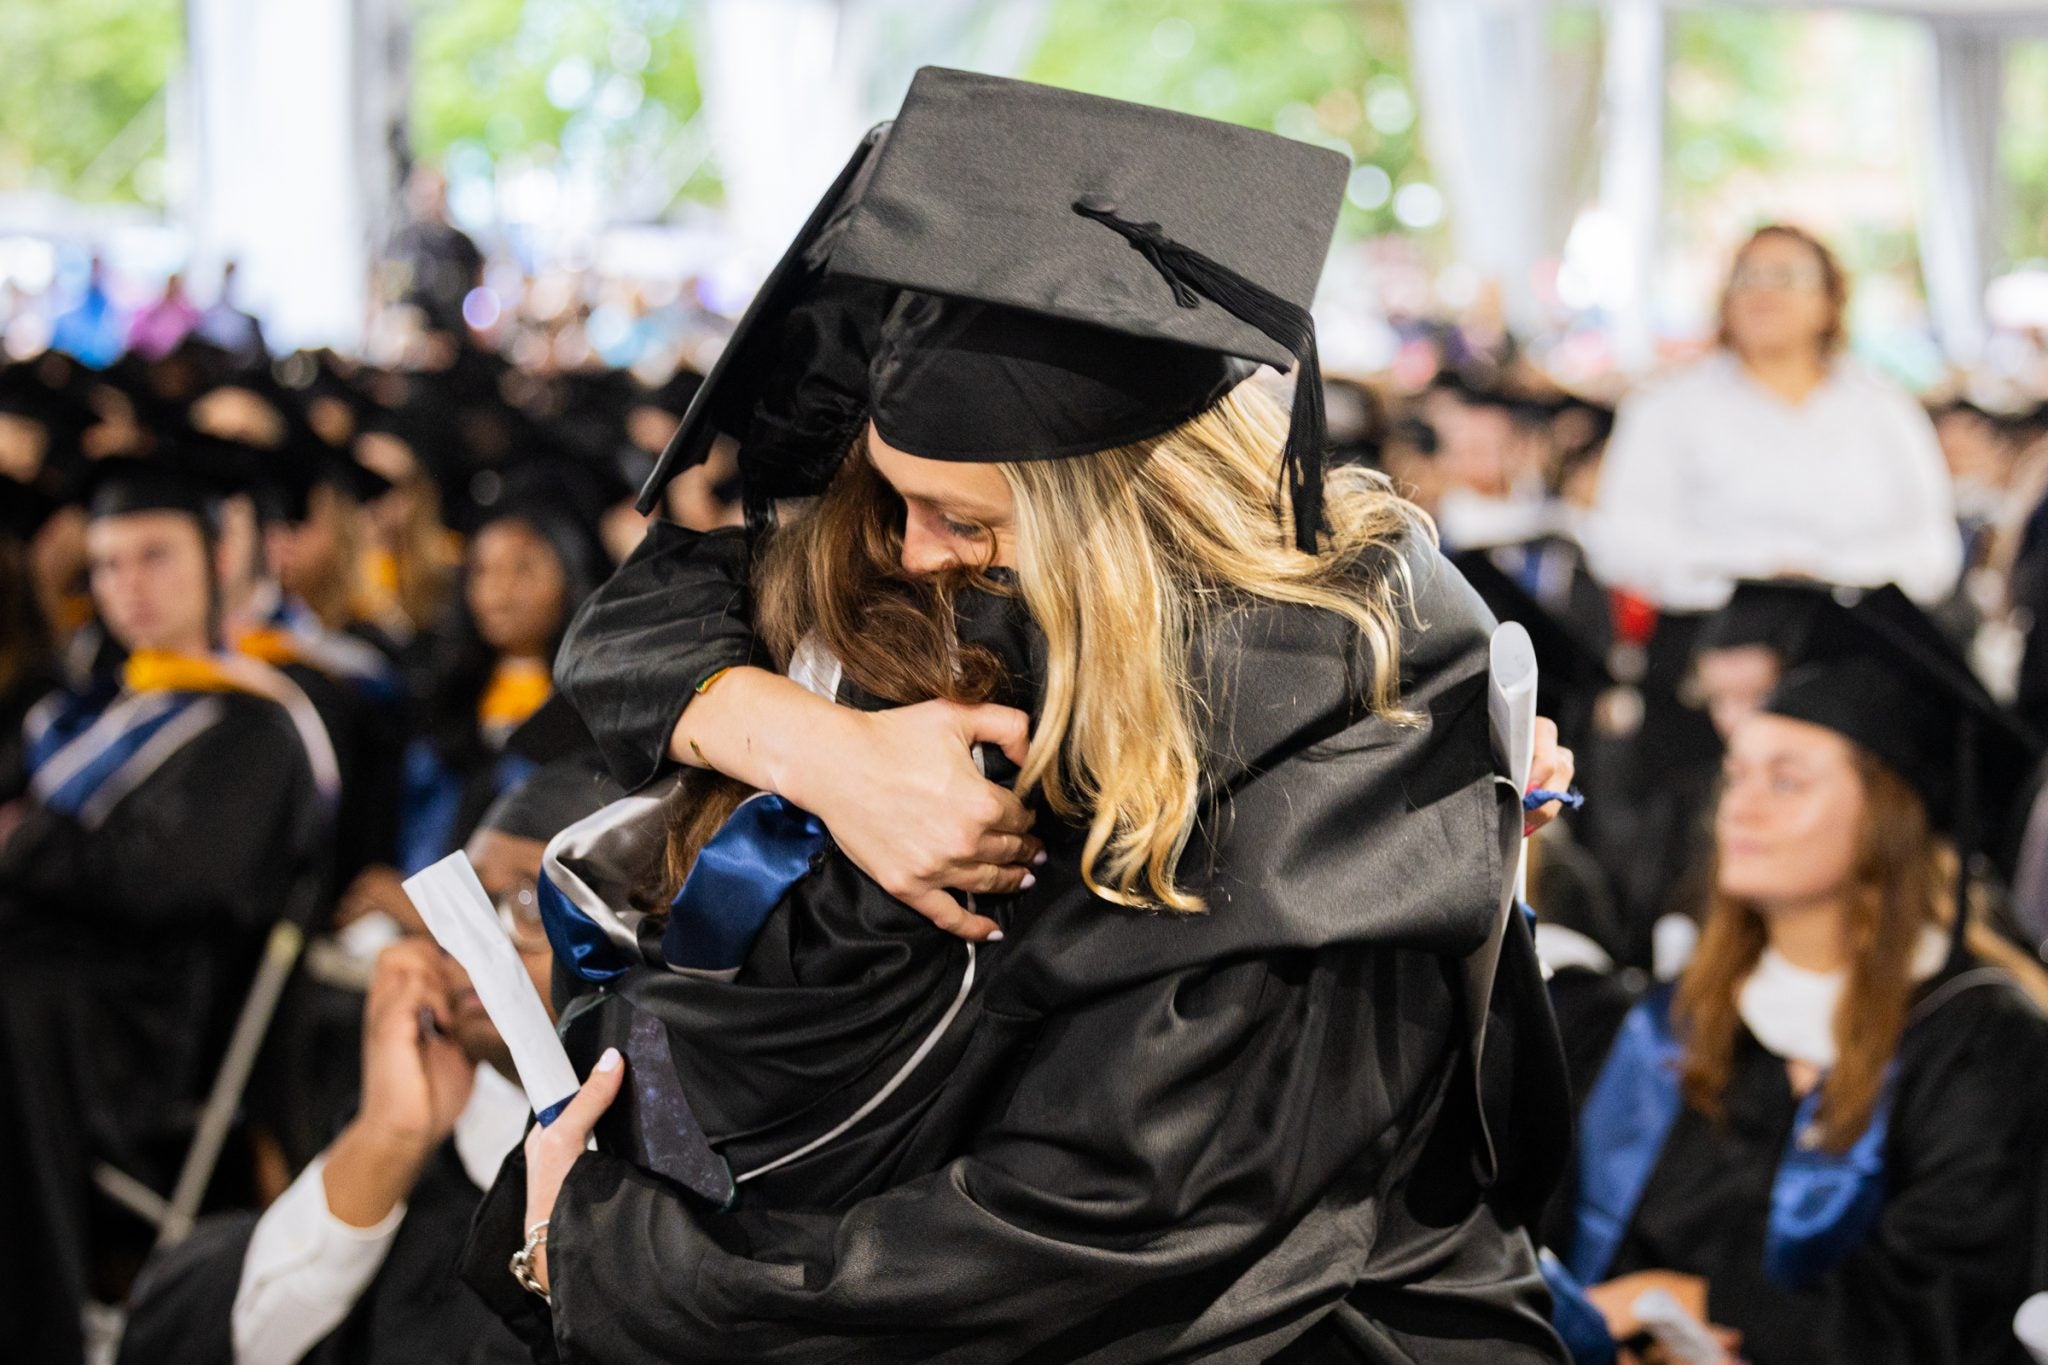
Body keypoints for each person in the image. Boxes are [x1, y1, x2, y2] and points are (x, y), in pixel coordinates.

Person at [466, 68, 1577, 1363]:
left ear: (1117, 519)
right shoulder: (964, 564)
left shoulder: (1320, 752)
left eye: (968, 520)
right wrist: (823, 749)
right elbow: (649, 616)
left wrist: (608, 1257)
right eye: (894, 500)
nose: (918, 552)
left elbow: (1081, 1235)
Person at [1555, 586, 2048, 1365]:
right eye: (1738, 773)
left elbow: (1943, 1317)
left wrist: (1699, 1305)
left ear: (1890, 817)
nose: (1739, 808)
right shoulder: (1663, 1025)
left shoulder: (1985, 1046)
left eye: (1786, 780)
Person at [116, 759, 617, 1365]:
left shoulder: (657, 1193)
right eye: (468, 903)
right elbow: (214, 1345)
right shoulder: (428, 1141)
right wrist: (386, 1138)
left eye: (528, 905)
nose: (480, 946)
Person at [0, 456, 329, 1365]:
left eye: (154, 556)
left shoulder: (256, 726)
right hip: (65, 991)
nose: (127, 586)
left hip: (147, 1031)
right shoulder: (97, 704)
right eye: (105, 565)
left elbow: (171, 882)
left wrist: (26, 843)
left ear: (217, 560)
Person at [1585, 225, 1962, 612]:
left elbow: (1932, 548)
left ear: (1829, 301)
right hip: (1710, 627)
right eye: (1746, 276)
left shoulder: (1883, 408)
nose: (1763, 293)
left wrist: (1828, 577)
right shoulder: (1666, 407)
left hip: (1861, 624)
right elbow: (1623, 541)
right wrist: (1757, 576)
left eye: (1785, 277)